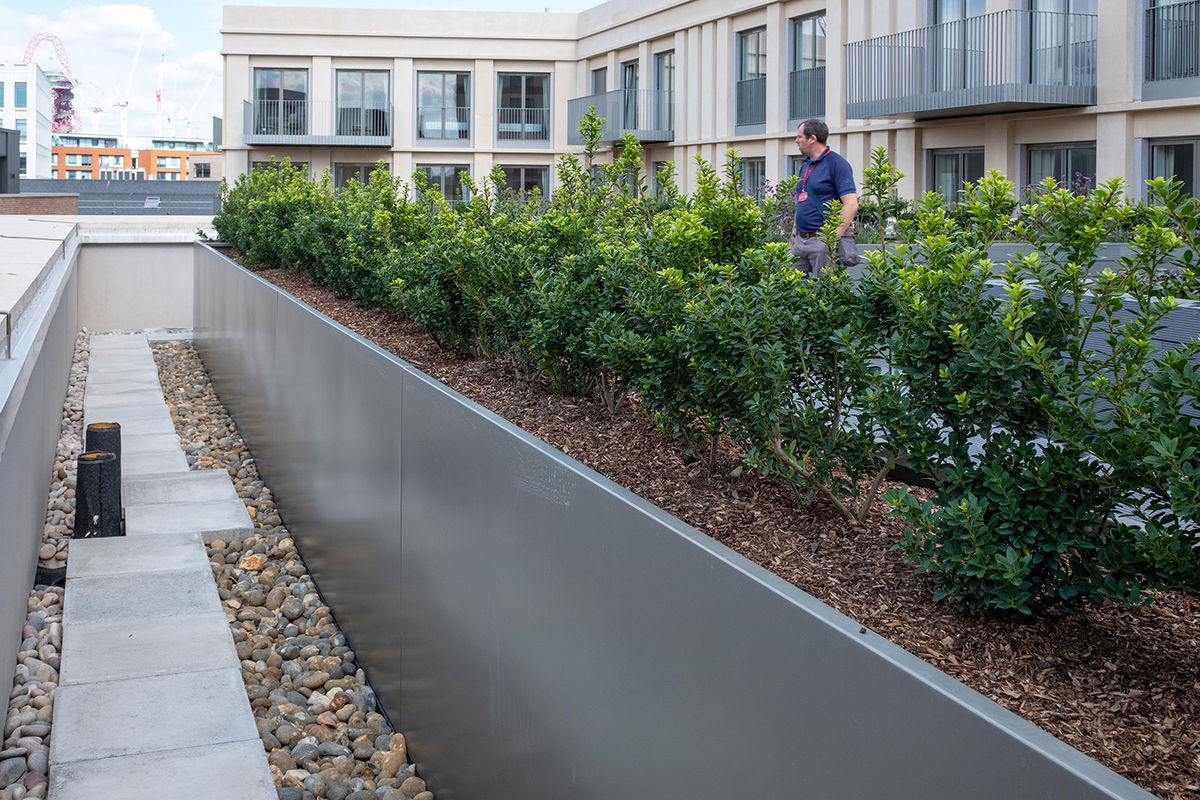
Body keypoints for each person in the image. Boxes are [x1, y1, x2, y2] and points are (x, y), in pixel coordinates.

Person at [790, 118, 859, 275]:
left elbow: (851, 204)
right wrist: (793, 237)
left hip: (821, 243)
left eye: (800, 136)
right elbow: (802, 202)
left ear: (812, 138)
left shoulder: (837, 164)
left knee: (826, 291)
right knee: (793, 291)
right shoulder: (805, 166)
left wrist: (831, 239)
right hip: (800, 242)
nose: (796, 141)